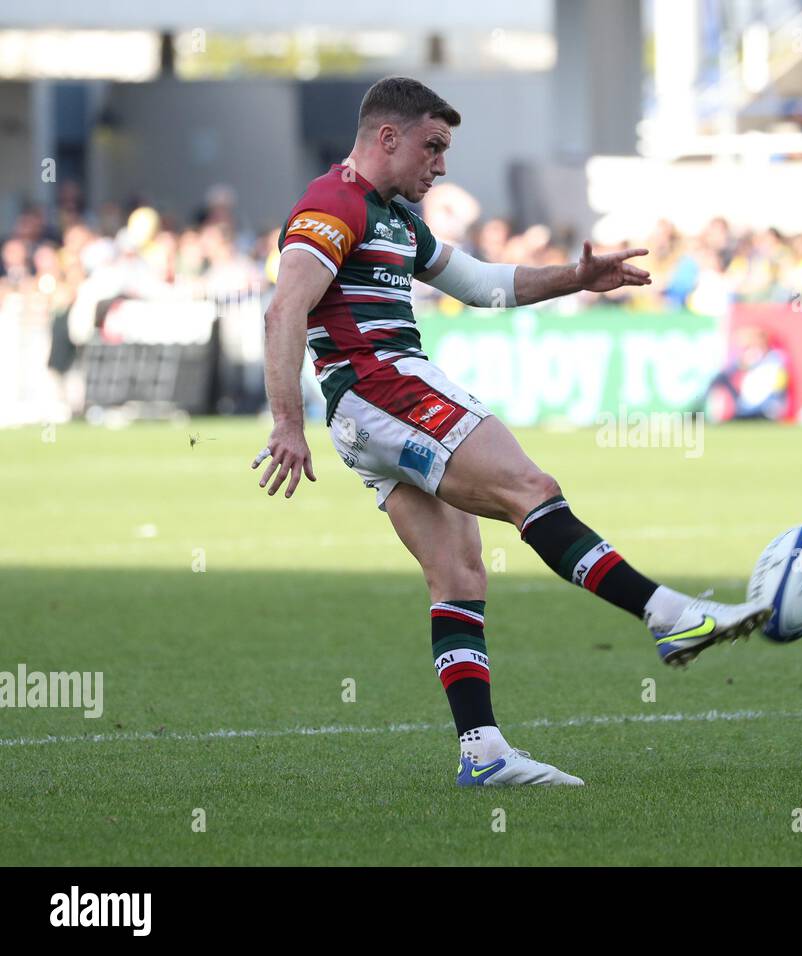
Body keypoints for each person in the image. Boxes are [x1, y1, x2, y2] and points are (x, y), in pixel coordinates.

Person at [252, 77, 770, 788]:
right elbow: (285, 311)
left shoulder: (395, 218)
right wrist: (287, 424)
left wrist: (576, 277)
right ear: (387, 137)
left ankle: (484, 754)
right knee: (532, 489)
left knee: (459, 572)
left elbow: (482, 285)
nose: (440, 164)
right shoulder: (332, 203)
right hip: (383, 385)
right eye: (432, 147)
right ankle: (667, 613)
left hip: (366, 408)